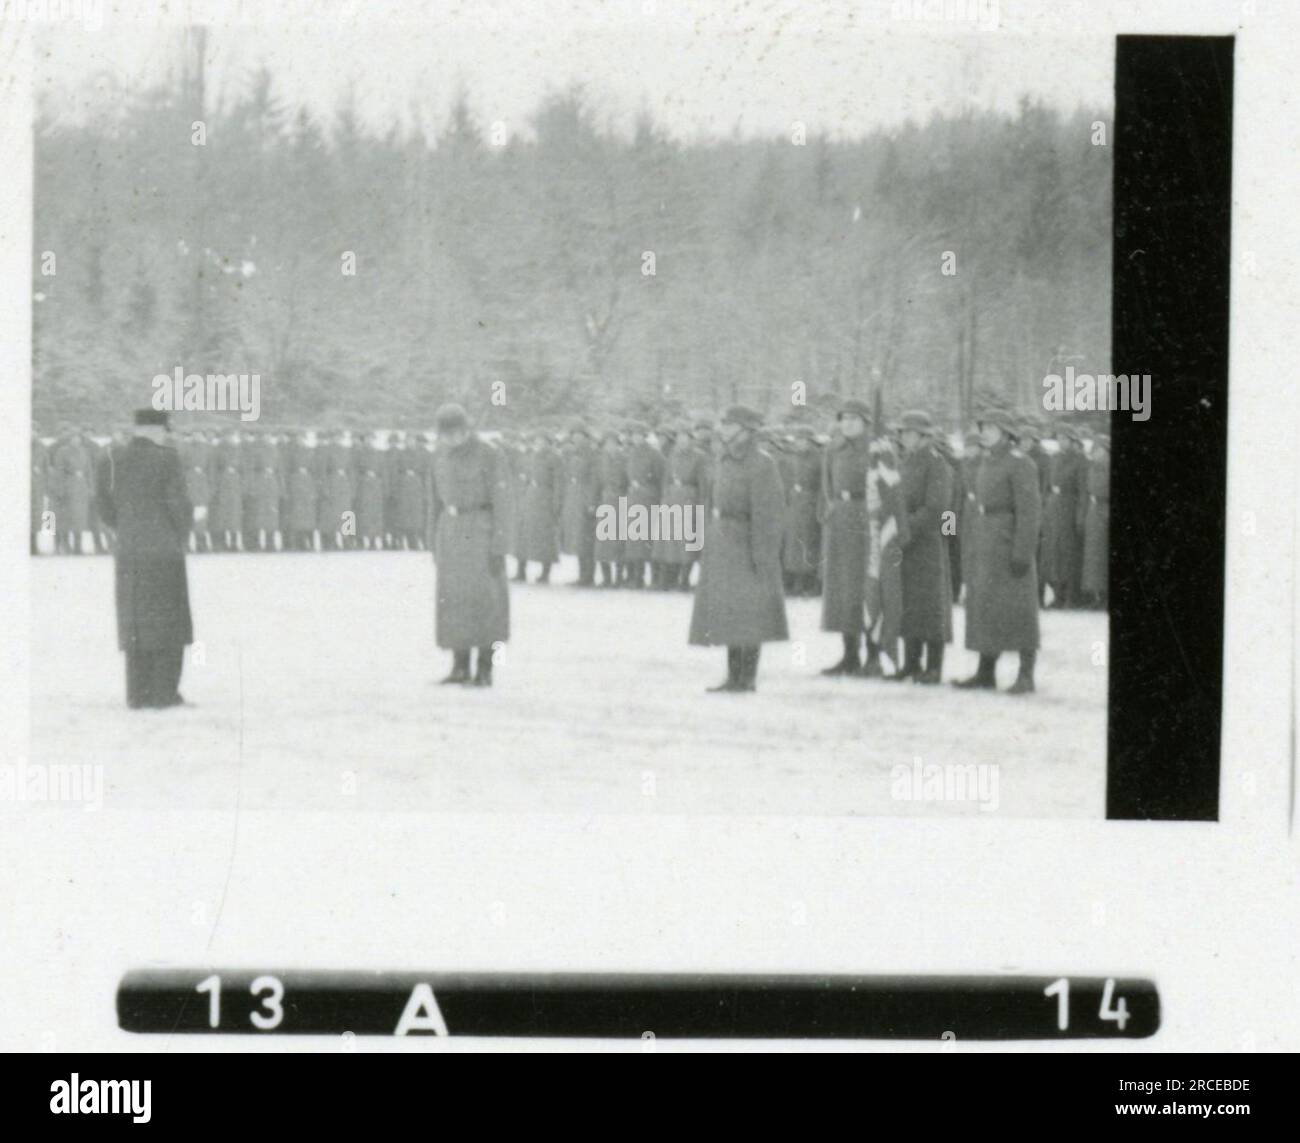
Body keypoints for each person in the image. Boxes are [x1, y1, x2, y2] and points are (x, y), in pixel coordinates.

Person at [94, 410, 194, 709]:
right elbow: (177, 502)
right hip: (163, 550)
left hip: (128, 549)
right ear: (157, 430)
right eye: (165, 431)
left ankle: (137, 694)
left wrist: (124, 529)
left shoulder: (111, 457)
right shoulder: (167, 458)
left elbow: (102, 504)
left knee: (134, 621)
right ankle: (164, 693)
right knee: (168, 621)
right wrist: (182, 531)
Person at [689, 406, 788, 692]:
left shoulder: (762, 464)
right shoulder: (724, 460)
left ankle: (747, 677)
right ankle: (734, 675)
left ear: (746, 429)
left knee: (750, 613)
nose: (723, 428)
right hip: (723, 543)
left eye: (729, 424)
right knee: (730, 612)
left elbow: (769, 514)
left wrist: (763, 555)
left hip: (747, 544)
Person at [954, 408, 1042, 694]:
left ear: (1006, 432)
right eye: (983, 426)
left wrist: (1022, 551)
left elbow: (1029, 512)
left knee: (1019, 610)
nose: (985, 431)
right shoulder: (984, 461)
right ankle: (985, 671)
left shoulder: (1020, 463)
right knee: (985, 607)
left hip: (1007, 543)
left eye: (991, 426)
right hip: (984, 540)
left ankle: (1026, 675)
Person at [429, 404, 513, 687]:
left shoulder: (489, 455)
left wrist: (500, 546)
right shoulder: (439, 456)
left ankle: (485, 669)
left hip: (480, 531)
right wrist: (434, 542)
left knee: (485, 602)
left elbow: (503, 502)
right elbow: (434, 502)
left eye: (456, 432)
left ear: (467, 429)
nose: (451, 439)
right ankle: (459, 665)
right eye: (446, 434)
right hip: (450, 533)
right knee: (452, 601)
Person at [893, 409, 954, 684]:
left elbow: (936, 507)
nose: (904, 436)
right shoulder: (905, 462)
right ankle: (911, 663)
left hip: (926, 541)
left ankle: (933, 667)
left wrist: (905, 527)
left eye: (910, 432)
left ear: (924, 436)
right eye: (903, 432)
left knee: (930, 606)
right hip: (906, 541)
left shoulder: (936, 463)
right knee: (909, 604)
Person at [819, 399, 878, 676]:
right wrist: (831, 509)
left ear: (866, 422)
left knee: (866, 588)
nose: (848, 423)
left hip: (866, 519)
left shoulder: (877, 449)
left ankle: (874, 655)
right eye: (844, 418)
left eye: (854, 418)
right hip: (841, 519)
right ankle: (850, 653)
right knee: (843, 588)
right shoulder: (834, 449)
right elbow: (827, 483)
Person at [778, 425, 822, 596]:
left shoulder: (818, 459)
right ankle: (793, 580)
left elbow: (821, 484)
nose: (799, 443)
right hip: (795, 503)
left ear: (811, 442)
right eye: (798, 440)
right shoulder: (792, 458)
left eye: (803, 440)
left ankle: (806, 581)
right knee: (793, 542)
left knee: (808, 542)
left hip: (810, 503)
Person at [560, 421, 600, 586]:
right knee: (577, 538)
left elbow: (594, 480)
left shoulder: (592, 454)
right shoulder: (572, 454)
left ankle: (588, 575)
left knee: (586, 539)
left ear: (586, 437)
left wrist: (591, 502)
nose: (576, 438)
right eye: (574, 435)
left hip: (585, 497)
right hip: (573, 497)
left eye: (580, 435)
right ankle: (582, 574)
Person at [1079, 434, 1110, 608]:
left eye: (1098, 449)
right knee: (1093, 556)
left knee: (1103, 553)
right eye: (1094, 450)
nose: (1095, 453)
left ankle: (1105, 596)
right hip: (1094, 508)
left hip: (1105, 508)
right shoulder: (1092, 467)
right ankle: (1096, 595)